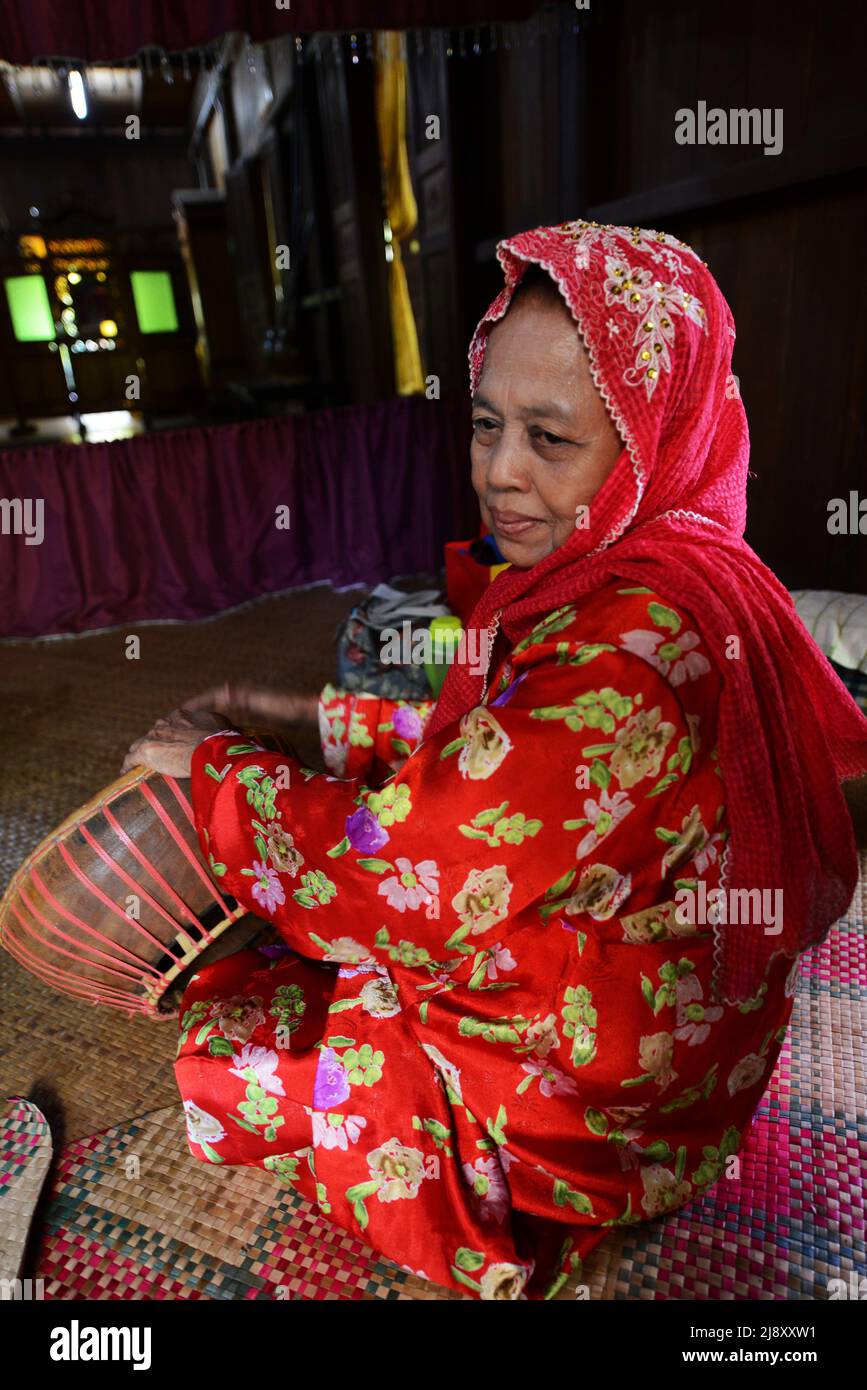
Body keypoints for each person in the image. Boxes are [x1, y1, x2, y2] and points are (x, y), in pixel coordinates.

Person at [124, 221, 867, 1301]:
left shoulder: (628, 657)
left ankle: (534, 1180)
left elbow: (400, 871)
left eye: (550, 440)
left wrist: (218, 771)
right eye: (486, 426)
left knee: (227, 1065)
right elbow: (498, 769)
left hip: (607, 1108)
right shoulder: (691, 568)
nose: (501, 474)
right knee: (306, 955)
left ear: (649, 440)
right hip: (695, 1060)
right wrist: (312, 722)